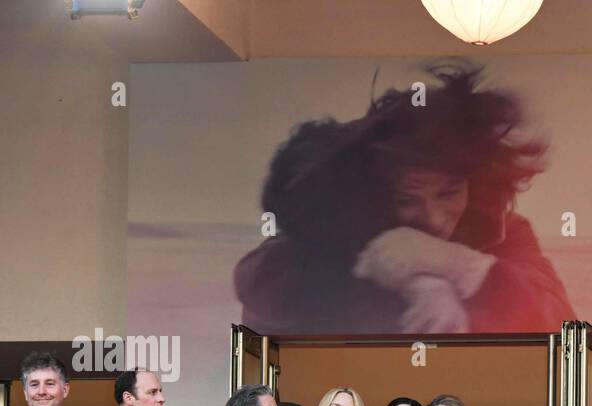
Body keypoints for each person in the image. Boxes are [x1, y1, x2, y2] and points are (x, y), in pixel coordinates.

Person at [234, 64, 573, 335]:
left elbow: (559, 324)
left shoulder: (506, 231)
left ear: (474, 182)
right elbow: (259, 284)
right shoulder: (334, 224)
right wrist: (419, 284)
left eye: (449, 193)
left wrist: (457, 265)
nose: (434, 218)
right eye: (408, 199)